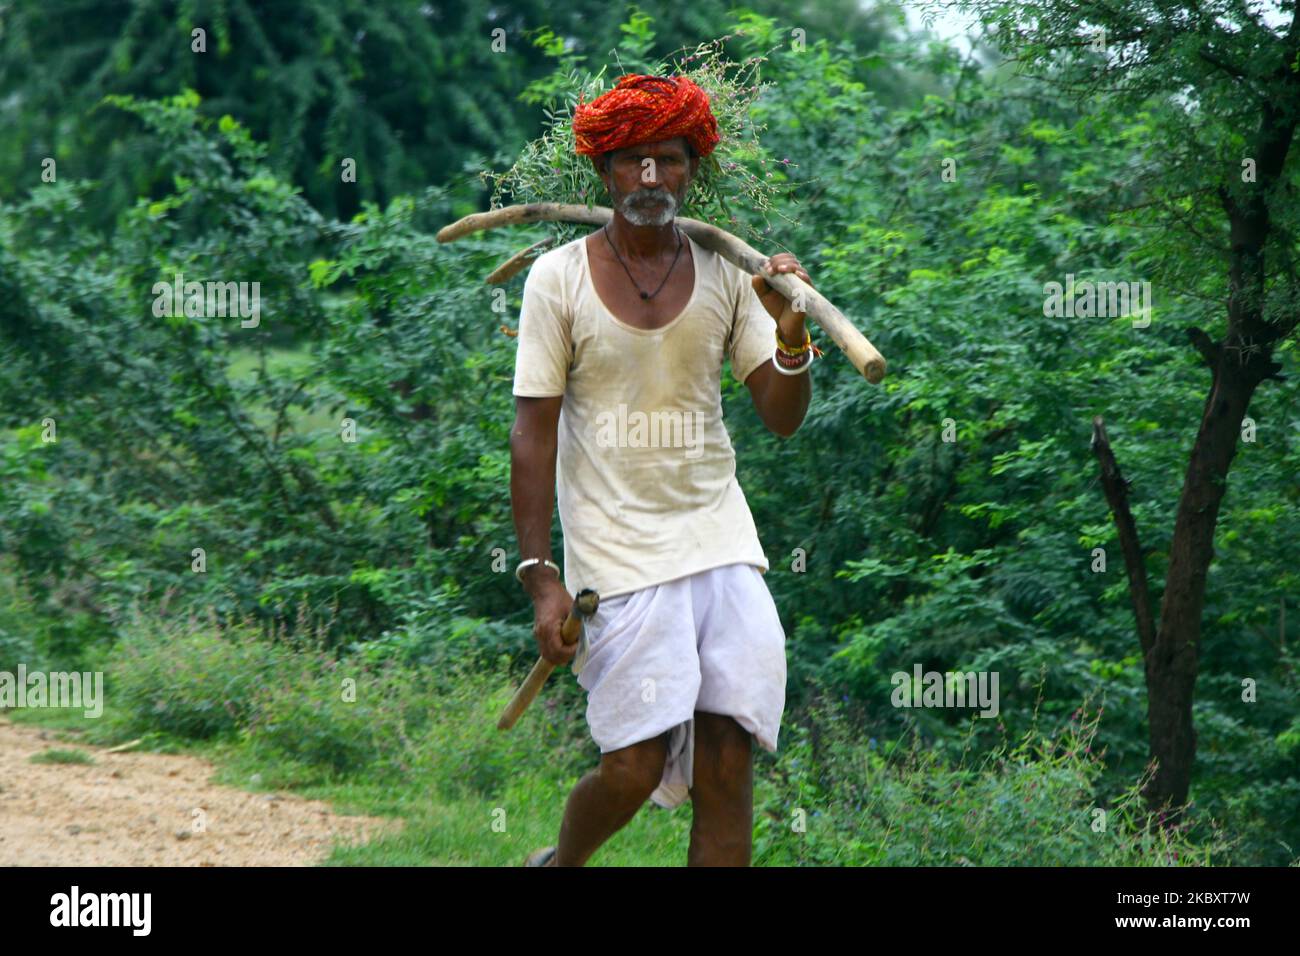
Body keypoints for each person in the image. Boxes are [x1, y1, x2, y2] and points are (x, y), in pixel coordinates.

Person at [510, 73, 820, 867]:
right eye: (634, 161)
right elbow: (533, 432)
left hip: (718, 541)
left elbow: (782, 418)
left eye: (670, 160)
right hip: (615, 555)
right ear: (605, 172)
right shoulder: (559, 280)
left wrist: (790, 331)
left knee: (727, 762)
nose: (652, 179)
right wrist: (541, 576)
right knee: (633, 765)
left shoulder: (727, 275)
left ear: (692, 168)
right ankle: (560, 864)